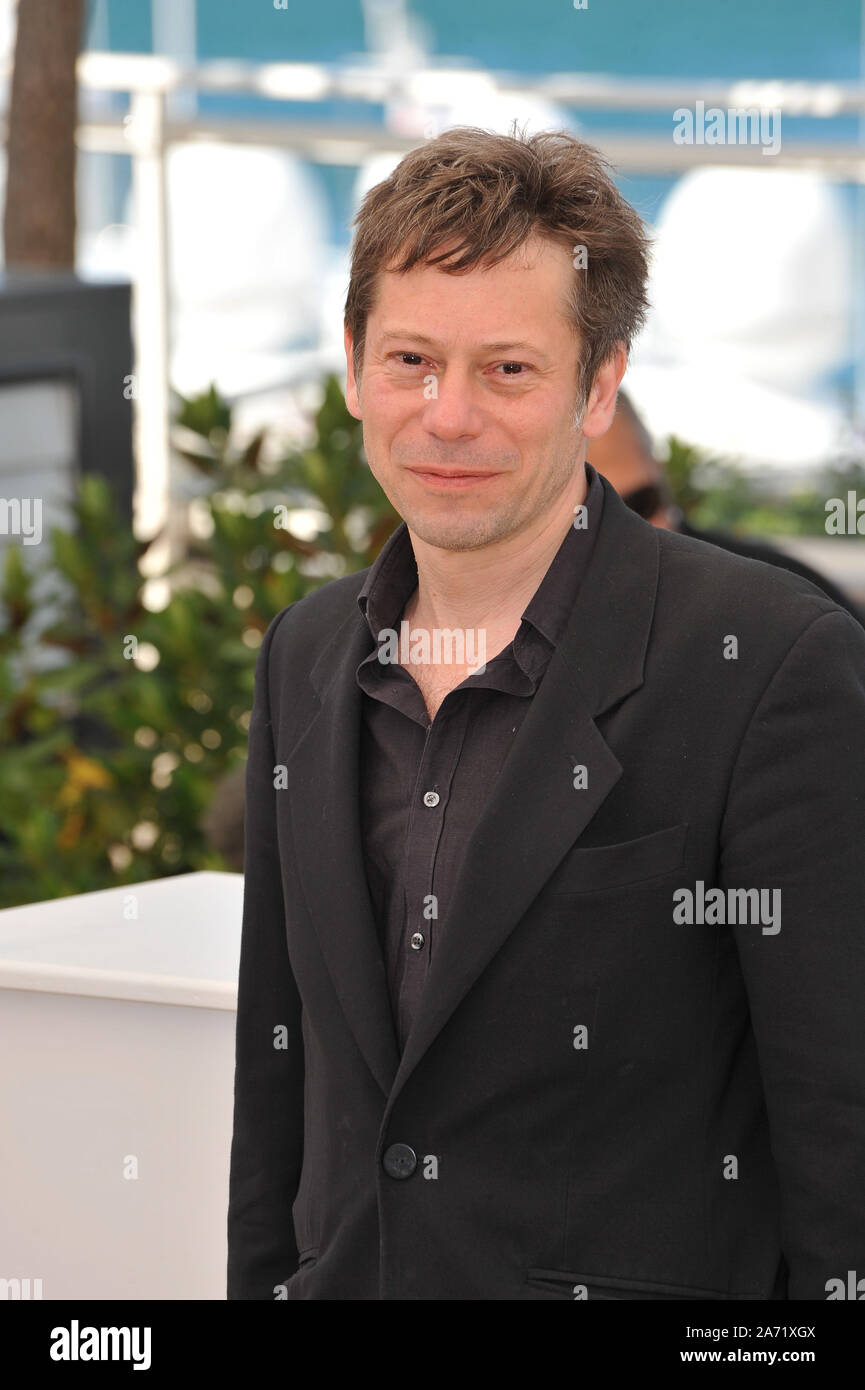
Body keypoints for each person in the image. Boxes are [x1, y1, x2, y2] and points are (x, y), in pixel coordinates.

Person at [227, 127, 865, 1301]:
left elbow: (841, 1120)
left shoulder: (774, 667)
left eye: (507, 370)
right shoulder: (305, 654)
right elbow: (279, 1090)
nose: (448, 415)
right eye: (410, 358)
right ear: (355, 363)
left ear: (599, 381)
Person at [589, 389, 865, 628]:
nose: (624, 534)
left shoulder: (783, 593)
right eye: (593, 517)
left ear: (664, 477)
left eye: (639, 503)